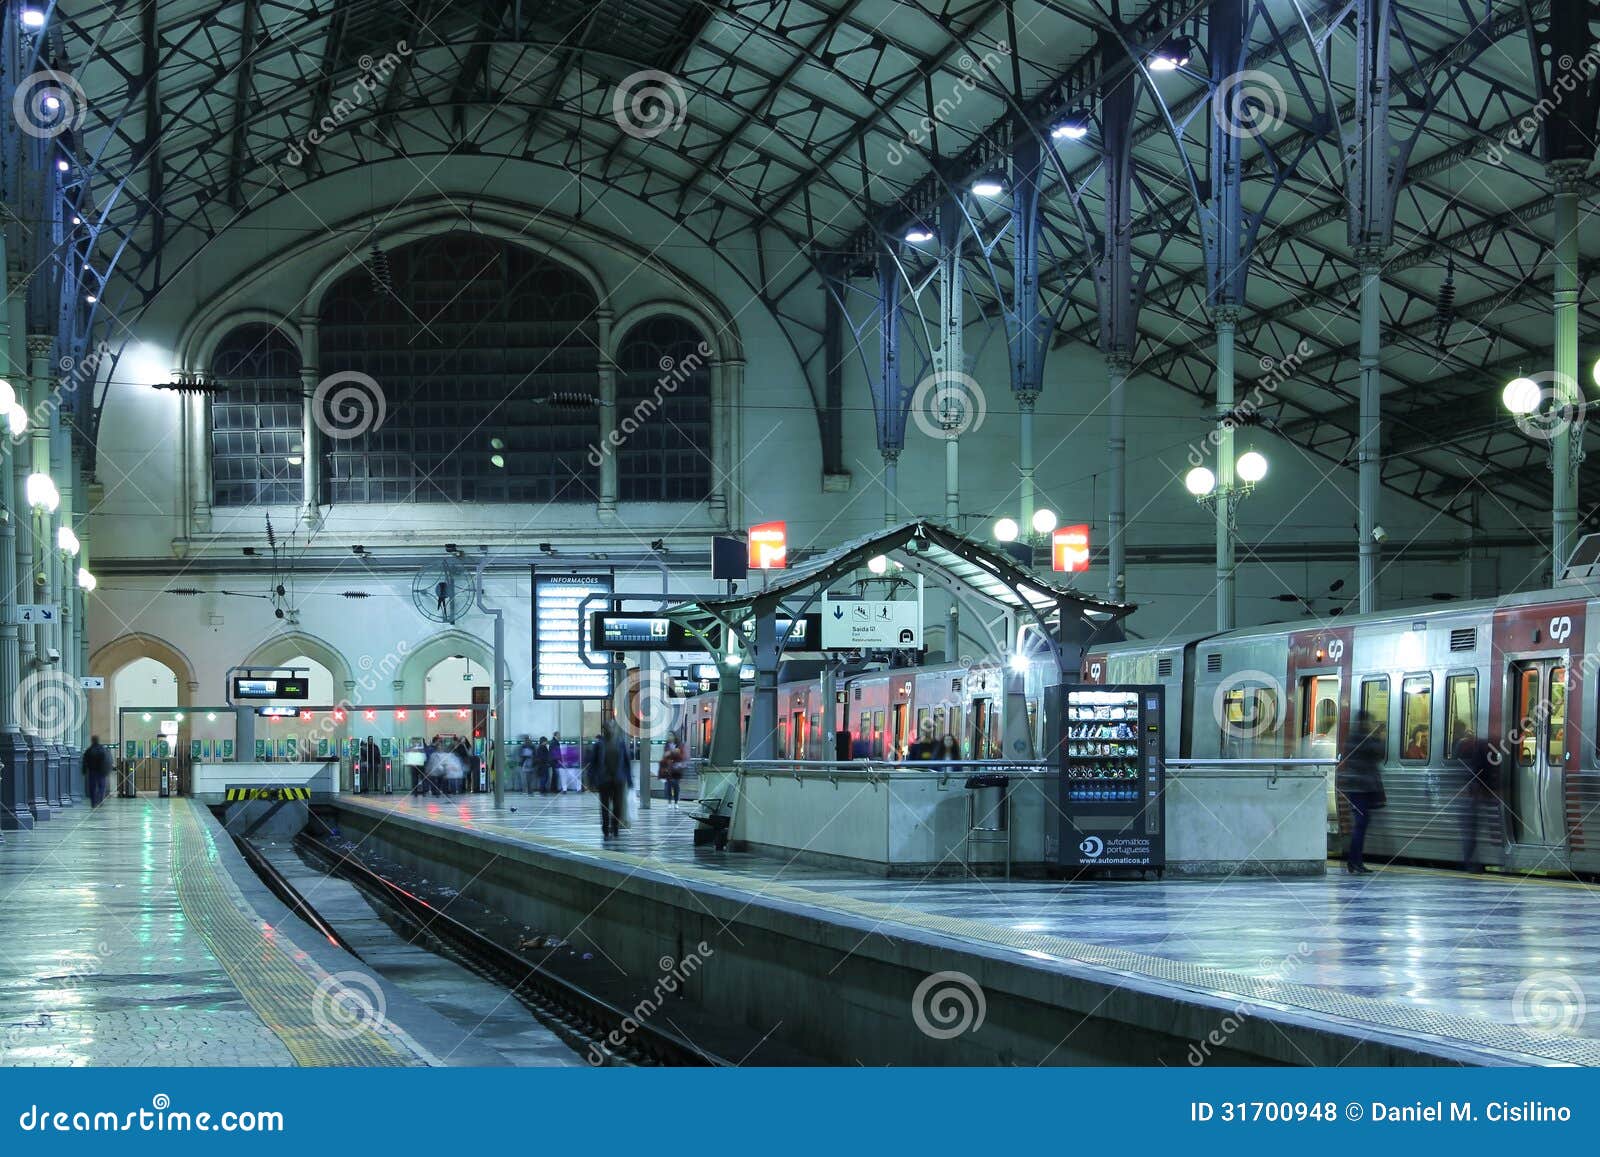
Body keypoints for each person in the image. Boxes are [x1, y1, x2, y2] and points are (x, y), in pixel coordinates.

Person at [1337, 711, 1386, 875]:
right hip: (1361, 789)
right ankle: (1354, 861)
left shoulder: (1354, 738)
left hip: (1358, 788)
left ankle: (1356, 861)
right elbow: (1379, 752)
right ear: (1364, 722)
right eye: (1369, 722)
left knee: (1361, 824)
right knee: (1361, 824)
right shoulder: (1362, 738)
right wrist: (1378, 734)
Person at [1455, 726, 1500, 872]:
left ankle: (1470, 862)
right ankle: (1470, 863)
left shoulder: (1463, 750)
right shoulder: (1480, 750)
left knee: (1468, 831)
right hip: (1471, 797)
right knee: (1470, 831)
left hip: (1467, 797)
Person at [588, 719, 632, 837]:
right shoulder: (599, 745)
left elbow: (626, 762)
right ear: (604, 730)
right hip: (604, 780)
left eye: (611, 727)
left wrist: (629, 779)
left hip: (618, 780)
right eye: (608, 728)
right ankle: (605, 827)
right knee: (604, 806)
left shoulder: (620, 743)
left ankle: (615, 824)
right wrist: (591, 780)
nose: (610, 730)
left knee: (618, 805)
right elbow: (593, 763)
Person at [659, 731, 687, 806]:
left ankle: (676, 801)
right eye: (668, 735)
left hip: (677, 769)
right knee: (668, 785)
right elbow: (665, 756)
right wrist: (673, 752)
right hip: (668, 768)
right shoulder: (666, 745)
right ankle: (669, 801)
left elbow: (682, 756)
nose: (669, 737)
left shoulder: (680, 745)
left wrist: (671, 753)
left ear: (674, 736)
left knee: (676, 785)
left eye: (671, 735)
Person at [84, 735, 111, 807]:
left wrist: (84, 770)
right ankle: (100, 800)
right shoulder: (102, 749)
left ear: (92, 741)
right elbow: (107, 760)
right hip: (101, 772)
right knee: (101, 787)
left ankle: (93, 802)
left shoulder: (89, 750)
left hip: (92, 771)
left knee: (92, 787)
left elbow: (85, 761)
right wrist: (107, 770)